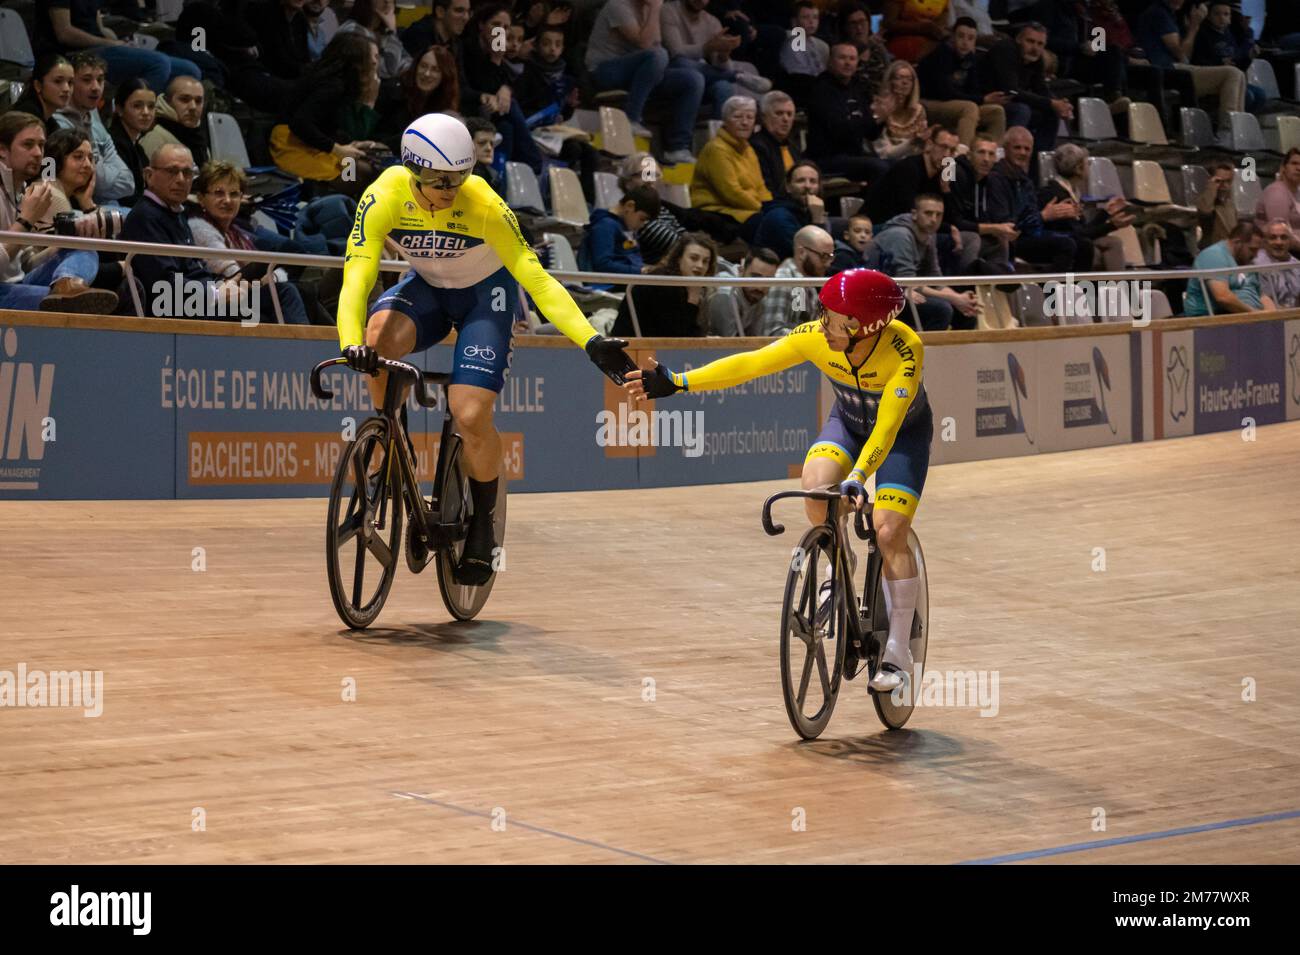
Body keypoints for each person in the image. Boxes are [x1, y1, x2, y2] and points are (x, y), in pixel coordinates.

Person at [337, 113, 639, 582]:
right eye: (440, 179)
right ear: (414, 170)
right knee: (376, 342)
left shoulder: (486, 205)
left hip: (486, 298)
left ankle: (482, 522)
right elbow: (357, 273)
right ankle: (389, 438)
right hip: (428, 289)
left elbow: (535, 278)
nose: (452, 187)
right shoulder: (384, 194)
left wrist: (589, 339)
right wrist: (350, 342)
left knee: (471, 414)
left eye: (461, 175)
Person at [626, 268, 933, 692]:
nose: (824, 325)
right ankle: (838, 566)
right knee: (815, 487)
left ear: (866, 327)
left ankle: (898, 651)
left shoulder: (906, 349)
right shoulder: (815, 337)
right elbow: (752, 363)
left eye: (834, 320)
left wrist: (861, 476)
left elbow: (887, 426)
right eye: (823, 315)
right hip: (847, 422)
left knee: (888, 528)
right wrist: (679, 383)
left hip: (900, 438)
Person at [0, 112, 117, 313]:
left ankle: (67, 286)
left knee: (81, 245)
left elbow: (26, 263)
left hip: (19, 281)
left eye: (41, 145)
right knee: (71, 305)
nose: (38, 153)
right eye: (28, 145)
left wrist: (63, 244)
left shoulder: (21, 192)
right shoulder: (46, 192)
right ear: (2, 150)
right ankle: (67, 294)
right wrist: (26, 221)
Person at [187, 160, 312, 324]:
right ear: (201, 198)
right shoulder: (199, 227)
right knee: (287, 291)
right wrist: (267, 276)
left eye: (234, 194)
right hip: (218, 299)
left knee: (306, 292)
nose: (227, 200)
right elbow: (234, 274)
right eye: (219, 193)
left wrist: (271, 276)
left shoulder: (238, 232)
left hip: (241, 294)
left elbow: (257, 275)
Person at [584, 0, 706, 165]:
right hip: (605, 70)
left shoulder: (648, 9)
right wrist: (655, 9)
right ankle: (632, 118)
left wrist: (652, 11)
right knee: (658, 55)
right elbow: (645, 44)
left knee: (693, 80)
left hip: (640, 73)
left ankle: (677, 148)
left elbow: (655, 43)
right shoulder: (618, 5)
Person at [35, 0, 203, 92]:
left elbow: (99, 28)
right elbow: (64, 33)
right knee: (159, 63)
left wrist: (122, 43)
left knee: (190, 70)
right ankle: (137, 113)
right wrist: (111, 43)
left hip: (99, 48)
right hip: (72, 53)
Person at [986, 126, 1087, 272]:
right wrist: (1044, 215)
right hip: (1010, 239)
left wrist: (1053, 215)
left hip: (1029, 234)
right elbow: (1007, 225)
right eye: (1017, 148)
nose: (1023, 153)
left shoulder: (1025, 181)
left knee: (1083, 244)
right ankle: (1050, 291)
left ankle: (1079, 292)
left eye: (1027, 149)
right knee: (1066, 245)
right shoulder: (996, 178)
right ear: (1006, 149)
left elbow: (1033, 218)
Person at [873, 192, 979, 330]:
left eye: (938, 214)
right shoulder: (900, 235)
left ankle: (952, 351)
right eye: (928, 213)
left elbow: (935, 278)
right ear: (915, 214)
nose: (934, 219)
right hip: (880, 294)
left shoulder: (929, 235)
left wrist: (960, 299)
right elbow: (907, 282)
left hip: (906, 290)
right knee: (941, 309)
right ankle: (923, 350)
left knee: (966, 312)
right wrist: (953, 298)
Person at [1135, 0, 1245, 124]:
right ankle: (1227, 129)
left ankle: (1237, 129)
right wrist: (1194, 26)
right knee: (1232, 73)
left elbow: (1185, 58)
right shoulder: (1159, 13)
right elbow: (1181, 53)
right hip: (1166, 69)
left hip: (1177, 68)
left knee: (1239, 75)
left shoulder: (1171, 14)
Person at [51, 52, 135, 206]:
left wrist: (99, 166)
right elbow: (91, 180)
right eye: (86, 80)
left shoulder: (92, 115)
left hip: (99, 203)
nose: (96, 87)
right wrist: (104, 164)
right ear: (71, 83)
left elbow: (128, 183)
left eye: (100, 80)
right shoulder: (57, 123)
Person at [980, 22, 1072, 158]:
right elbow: (1011, 91)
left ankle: (1038, 166)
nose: (1035, 48)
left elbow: (1041, 89)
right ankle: (1009, 161)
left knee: (1051, 113)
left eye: (1040, 44)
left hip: (1011, 103)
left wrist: (1059, 104)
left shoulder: (1036, 58)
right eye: (1030, 41)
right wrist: (1051, 103)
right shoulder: (1005, 49)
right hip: (987, 101)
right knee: (1022, 110)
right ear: (1018, 39)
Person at [1040, 142, 1135, 272]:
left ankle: (1118, 290)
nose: (1088, 167)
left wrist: (1105, 213)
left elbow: (1082, 230)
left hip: (1075, 241)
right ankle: (1115, 290)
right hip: (1062, 246)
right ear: (1079, 169)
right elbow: (1077, 234)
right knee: (1102, 245)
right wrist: (1112, 225)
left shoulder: (1071, 191)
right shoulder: (1057, 194)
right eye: (1086, 164)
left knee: (1113, 242)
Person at [916, 16, 1006, 148]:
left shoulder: (971, 59)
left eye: (970, 39)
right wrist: (983, 99)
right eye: (961, 36)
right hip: (928, 103)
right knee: (969, 108)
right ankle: (963, 157)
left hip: (953, 104)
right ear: (953, 36)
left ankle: (991, 154)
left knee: (996, 112)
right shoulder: (942, 53)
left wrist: (983, 99)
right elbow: (945, 93)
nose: (965, 42)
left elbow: (974, 90)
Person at [806, 42, 887, 184]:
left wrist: (883, 116)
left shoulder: (858, 87)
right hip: (826, 157)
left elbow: (871, 134)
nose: (848, 63)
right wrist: (874, 118)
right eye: (842, 58)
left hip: (854, 154)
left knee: (895, 166)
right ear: (830, 61)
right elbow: (840, 130)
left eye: (852, 58)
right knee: (879, 167)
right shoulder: (820, 89)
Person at [690, 95, 770, 235]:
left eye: (750, 117)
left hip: (747, 209)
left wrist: (770, 206)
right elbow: (731, 192)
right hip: (717, 212)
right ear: (725, 121)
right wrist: (762, 208)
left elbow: (760, 187)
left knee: (780, 216)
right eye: (738, 117)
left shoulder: (749, 149)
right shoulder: (716, 149)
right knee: (766, 224)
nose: (745, 122)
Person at [611, 232, 718, 336]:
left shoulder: (692, 286)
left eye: (705, 261)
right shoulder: (660, 284)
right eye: (694, 258)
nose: (700, 265)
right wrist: (692, 299)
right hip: (632, 349)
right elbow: (678, 336)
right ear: (678, 258)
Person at [754, 224, 836, 336]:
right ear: (802, 253)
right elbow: (772, 332)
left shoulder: (808, 282)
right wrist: (815, 336)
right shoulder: (783, 280)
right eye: (823, 256)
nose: (828, 264)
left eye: (830, 257)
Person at [1183, 221, 1270, 315]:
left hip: (1250, 318)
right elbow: (1223, 297)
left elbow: (1261, 296)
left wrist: (1274, 316)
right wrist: (1256, 315)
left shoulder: (1247, 261)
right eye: (1252, 249)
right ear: (1237, 242)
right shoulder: (1214, 255)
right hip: (1215, 318)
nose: (1256, 255)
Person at [751, 160, 828, 261]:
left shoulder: (808, 211)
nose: (807, 186)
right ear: (788, 187)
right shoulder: (779, 217)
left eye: (813, 181)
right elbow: (811, 258)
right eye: (800, 181)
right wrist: (818, 220)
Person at [580, 184, 661, 275]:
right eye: (642, 219)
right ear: (629, 206)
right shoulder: (605, 225)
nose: (642, 225)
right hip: (612, 284)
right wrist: (640, 271)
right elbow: (603, 264)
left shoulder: (625, 226)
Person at [139, 75, 211, 169]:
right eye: (184, 99)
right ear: (168, 102)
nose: (193, 107)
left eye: (198, 101)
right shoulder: (154, 138)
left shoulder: (199, 140)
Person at [707, 246, 780, 335]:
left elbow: (756, 340)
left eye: (768, 280)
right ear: (741, 271)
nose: (760, 287)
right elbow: (729, 344)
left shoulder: (759, 296)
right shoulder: (726, 294)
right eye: (755, 277)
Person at [107, 78, 154, 207]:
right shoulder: (114, 143)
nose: (146, 113)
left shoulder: (138, 148)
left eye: (151, 106)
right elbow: (127, 197)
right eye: (137, 106)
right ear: (119, 109)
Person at [338, 0, 412, 82]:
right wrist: (392, 32)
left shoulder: (384, 32)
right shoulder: (352, 30)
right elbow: (387, 71)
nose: (387, 1)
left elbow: (409, 63)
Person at [750, 90, 804, 198]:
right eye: (779, 113)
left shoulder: (793, 147)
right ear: (764, 117)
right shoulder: (756, 146)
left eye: (789, 114)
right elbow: (767, 188)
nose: (785, 119)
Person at [871, 59, 928, 161]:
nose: (905, 82)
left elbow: (919, 150)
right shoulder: (879, 109)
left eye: (909, 79)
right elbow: (884, 154)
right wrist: (913, 142)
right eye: (899, 78)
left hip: (913, 160)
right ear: (890, 82)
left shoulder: (919, 110)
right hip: (886, 161)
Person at [779, 1, 831, 105]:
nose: (811, 22)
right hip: (801, 92)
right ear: (794, 22)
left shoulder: (822, 45)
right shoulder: (793, 40)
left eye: (815, 17)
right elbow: (800, 76)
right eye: (806, 17)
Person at [11, 54, 75, 135]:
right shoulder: (24, 119)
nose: (67, 89)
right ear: (38, 85)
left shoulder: (51, 124)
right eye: (58, 81)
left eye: (70, 82)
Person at [1254, 148, 1300, 254]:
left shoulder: (1298, 191)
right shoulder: (1276, 192)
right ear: (1283, 168)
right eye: (1294, 163)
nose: (1299, 168)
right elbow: (1281, 234)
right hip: (1278, 252)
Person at [882, 0, 951, 63]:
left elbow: (942, 20)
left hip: (932, 41)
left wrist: (936, 29)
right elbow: (889, 23)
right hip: (902, 42)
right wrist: (923, 27)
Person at [1256, 218, 1300, 308]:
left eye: (1284, 237)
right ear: (1264, 241)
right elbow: (1266, 303)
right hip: (1274, 317)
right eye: (1273, 238)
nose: (1279, 242)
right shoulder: (1257, 265)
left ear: (1291, 241)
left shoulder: (1296, 264)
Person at [1196, 158, 1237, 250]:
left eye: (1228, 181)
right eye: (1220, 181)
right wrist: (1212, 188)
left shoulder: (1229, 203)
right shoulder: (1203, 200)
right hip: (1212, 250)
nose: (1225, 186)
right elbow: (1205, 212)